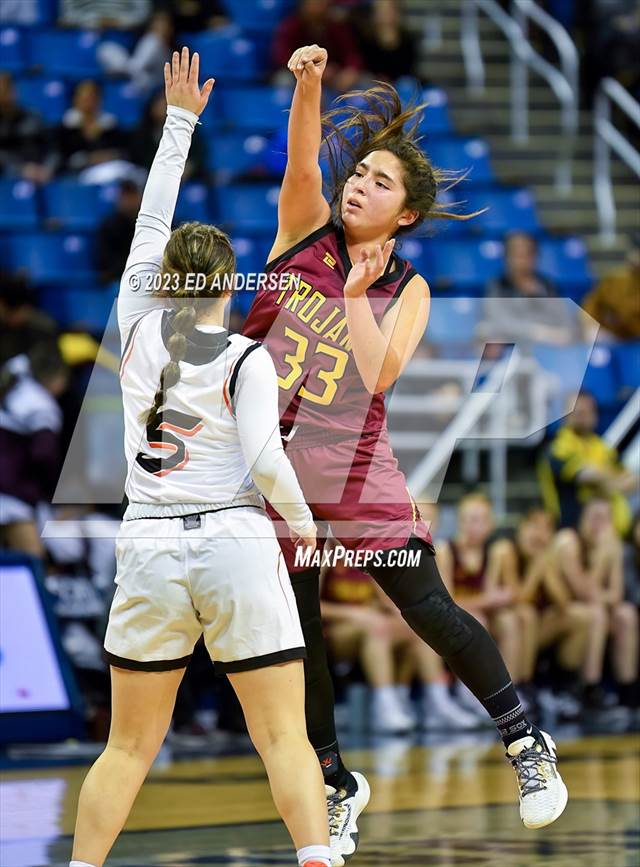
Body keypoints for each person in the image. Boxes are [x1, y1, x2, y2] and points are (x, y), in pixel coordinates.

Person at [241, 44, 568, 862]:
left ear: (407, 214)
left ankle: (526, 741)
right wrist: (310, 88)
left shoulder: (407, 287)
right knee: (294, 632)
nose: (360, 186)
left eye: (381, 183)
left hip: (352, 472)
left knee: (427, 609)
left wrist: (354, 297)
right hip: (271, 472)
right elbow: (300, 155)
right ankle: (335, 782)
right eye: (361, 174)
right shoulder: (300, 230)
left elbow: (380, 371)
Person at [69, 49, 332, 867]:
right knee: (283, 735)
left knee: (126, 748)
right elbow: (264, 458)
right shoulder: (246, 358)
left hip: (147, 542)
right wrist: (304, 522)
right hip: (232, 542)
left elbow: (152, 221)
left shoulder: (135, 323)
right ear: (227, 285)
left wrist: (179, 122)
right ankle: (319, 860)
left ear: (166, 281)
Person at [321, 547, 477, 734]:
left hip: (373, 624)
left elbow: (386, 600)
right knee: (376, 629)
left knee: (416, 628)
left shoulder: (366, 551)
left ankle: (434, 703)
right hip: (335, 630)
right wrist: (355, 614)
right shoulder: (324, 553)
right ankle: (384, 706)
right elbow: (311, 606)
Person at [490, 507, 604, 716]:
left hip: (532, 632)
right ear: (521, 528)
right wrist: (536, 569)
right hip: (502, 630)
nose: (538, 534)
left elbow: (563, 603)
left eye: (546, 529)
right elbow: (518, 599)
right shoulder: (506, 550)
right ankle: (522, 687)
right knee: (526, 614)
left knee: (581, 617)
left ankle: (564, 687)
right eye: (533, 526)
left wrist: (548, 570)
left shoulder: (546, 557)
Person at [437, 494, 538, 713]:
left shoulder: (498, 551)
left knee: (511, 620)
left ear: (491, 524)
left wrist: (494, 586)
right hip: (457, 621)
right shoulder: (446, 551)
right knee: (477, 619)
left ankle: (508, 692)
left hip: (486, 617)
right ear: (459, 523)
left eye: (480, 520)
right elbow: (446, 603)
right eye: (469, 520)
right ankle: (469, 690)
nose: (474, 527)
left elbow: (514, 595)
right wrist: (487, 600)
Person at [552, 497, 639, 715]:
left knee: (626, 614)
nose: (598, 525)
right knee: (597, 613)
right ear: (582, 518)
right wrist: (602, 559)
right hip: (556, 613)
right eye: (594, 517)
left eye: (605, 519)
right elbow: (582, 592)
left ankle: (628, 694)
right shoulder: (569, 540)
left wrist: (608, 554)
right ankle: (590, 689)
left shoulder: (611, 547)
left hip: (588, 613)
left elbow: (617, 596)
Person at [0, 346, 68, 557]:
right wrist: (49, 491)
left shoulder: (16, 388)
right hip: (10, 497)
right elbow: (44, 454)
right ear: (57, 378)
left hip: (8, 492)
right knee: (33, 561)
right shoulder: (41, 405)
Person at [539, 391, 637, 536]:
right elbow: (586, 475)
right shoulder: (557, 448)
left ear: (595, 415)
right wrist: (611, 479)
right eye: (577, 412)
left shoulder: (602, 447)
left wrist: (603, 479)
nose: (581, 417)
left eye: (586, 412)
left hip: (612, 532)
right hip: (570, 531)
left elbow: (632, 480)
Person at [477, 231, 582, 348]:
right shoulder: (497, 286)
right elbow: (499, 322)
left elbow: (564, 321)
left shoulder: (546, 285)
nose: (522, 261)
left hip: (547, 350)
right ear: (507, 258)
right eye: (517, 255)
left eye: (528, 255)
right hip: (512, 349)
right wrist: (537, 332)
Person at [272, 1, 363, 92]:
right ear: (304, 6)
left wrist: (350, 70)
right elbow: (283, 56)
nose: (317, 8)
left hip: (334, 75)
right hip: (299, 73)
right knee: (283, 80)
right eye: (313, 3)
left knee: (364, 81)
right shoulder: (291, 26)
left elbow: (351, 54)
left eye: (321, 3)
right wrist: (313, 69)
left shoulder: (337, 27)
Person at [55, 80, 128, 176]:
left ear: (99, 99)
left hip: (109, 169)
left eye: (92, 97)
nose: (88, 101)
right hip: (76, 174)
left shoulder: (111, 126)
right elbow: (62, 159)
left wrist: (107, 156)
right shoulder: (64, 128)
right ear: (75, 99)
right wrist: (89, 159)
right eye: (84, 97)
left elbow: (122, 152)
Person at [581, 232, 640, 341]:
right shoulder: (614, 279)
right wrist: (589, 324)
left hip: (635, 337)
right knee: (592, 333)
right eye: (636, 251)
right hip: (617, 338)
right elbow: (590, 307)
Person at [356, 0, 419, 83]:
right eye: (383, 11)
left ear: (397, 12)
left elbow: (409, 67)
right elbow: (365, 65)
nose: (387, 15)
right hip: (373, 81)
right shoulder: (367, 38)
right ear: (376, 13)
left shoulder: (406, 37)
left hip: (400, 82)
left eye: (390, 10)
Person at [96, 180, 142, 286]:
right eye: (124, 197)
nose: (128, 201)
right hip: (118, 278)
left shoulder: (149, 224)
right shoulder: (109, 226)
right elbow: (106, 260)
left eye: (132, 196)